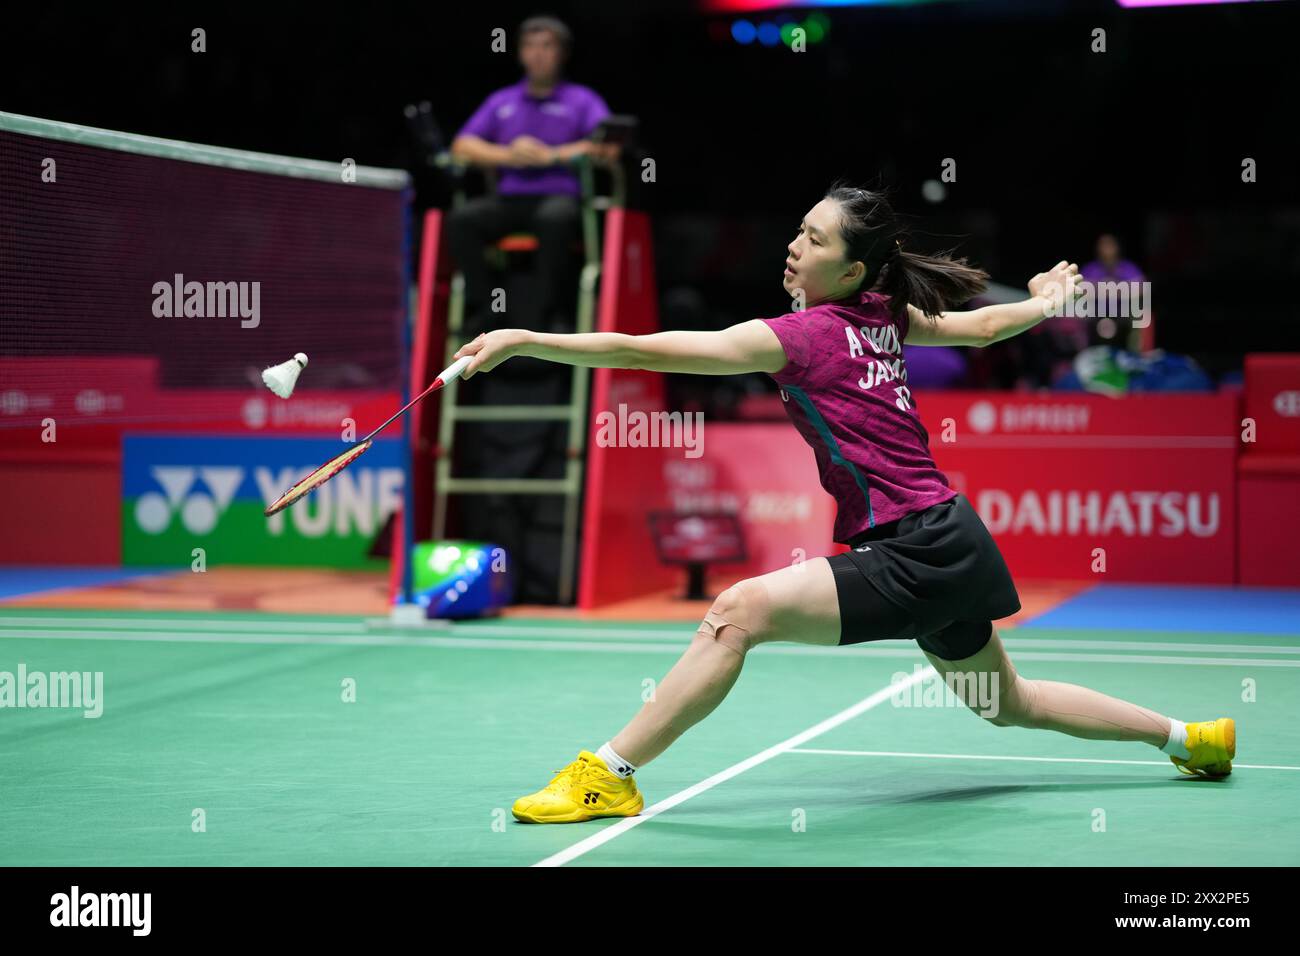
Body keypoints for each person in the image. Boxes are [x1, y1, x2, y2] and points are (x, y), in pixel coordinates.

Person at [453, 184, 1235, 824]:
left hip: (913, 544)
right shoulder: (885, 319)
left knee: (737, 613)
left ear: (855, 271)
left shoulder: (802, 336)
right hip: (949, 538)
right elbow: (989, 328)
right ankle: (1190, 738)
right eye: (799, 230)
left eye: (817, 239)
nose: (796, 244)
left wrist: (526, 338)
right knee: (1009, 703)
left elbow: (642, 348)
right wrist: (1044, 301)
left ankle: (610, 773)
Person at [446, 15, 615, 336]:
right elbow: (461, 145)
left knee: (554, 221)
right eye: (530, 46)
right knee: (462, 219)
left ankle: (554, 315)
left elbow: (607, 147)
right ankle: (487, 309)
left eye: (547, 46)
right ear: (520, 53)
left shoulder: (582, 99)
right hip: (510, 199)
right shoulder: (502, 101)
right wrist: (509, 154)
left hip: (559, 199)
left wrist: (551, 155)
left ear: (562, 53)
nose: (537, 54)